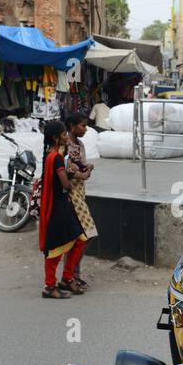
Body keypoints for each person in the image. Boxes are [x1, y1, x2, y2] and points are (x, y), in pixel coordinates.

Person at [39, 121, 86, 299]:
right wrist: (73, 176)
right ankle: (50, 286)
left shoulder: (50, 155)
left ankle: (66, 278)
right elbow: (65, 184)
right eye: (64, 134)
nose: (67, 137)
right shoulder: (56, 158)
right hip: (58, 207)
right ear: (55, 137)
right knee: (55, 249)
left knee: (79, 239)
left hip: (59, 206)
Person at [64, 111, 98, 289]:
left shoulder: (80, 143)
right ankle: (70, 275)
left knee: (81, 236)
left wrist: (86, 168)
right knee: (85, 234)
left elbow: (80, 165)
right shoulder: (66, 144)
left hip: (79, 193)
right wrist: (82, 174)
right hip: (70, 194)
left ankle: (72, 273)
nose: (85, 129)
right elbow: (67, 169)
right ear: (72, 126)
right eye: (82, 125)